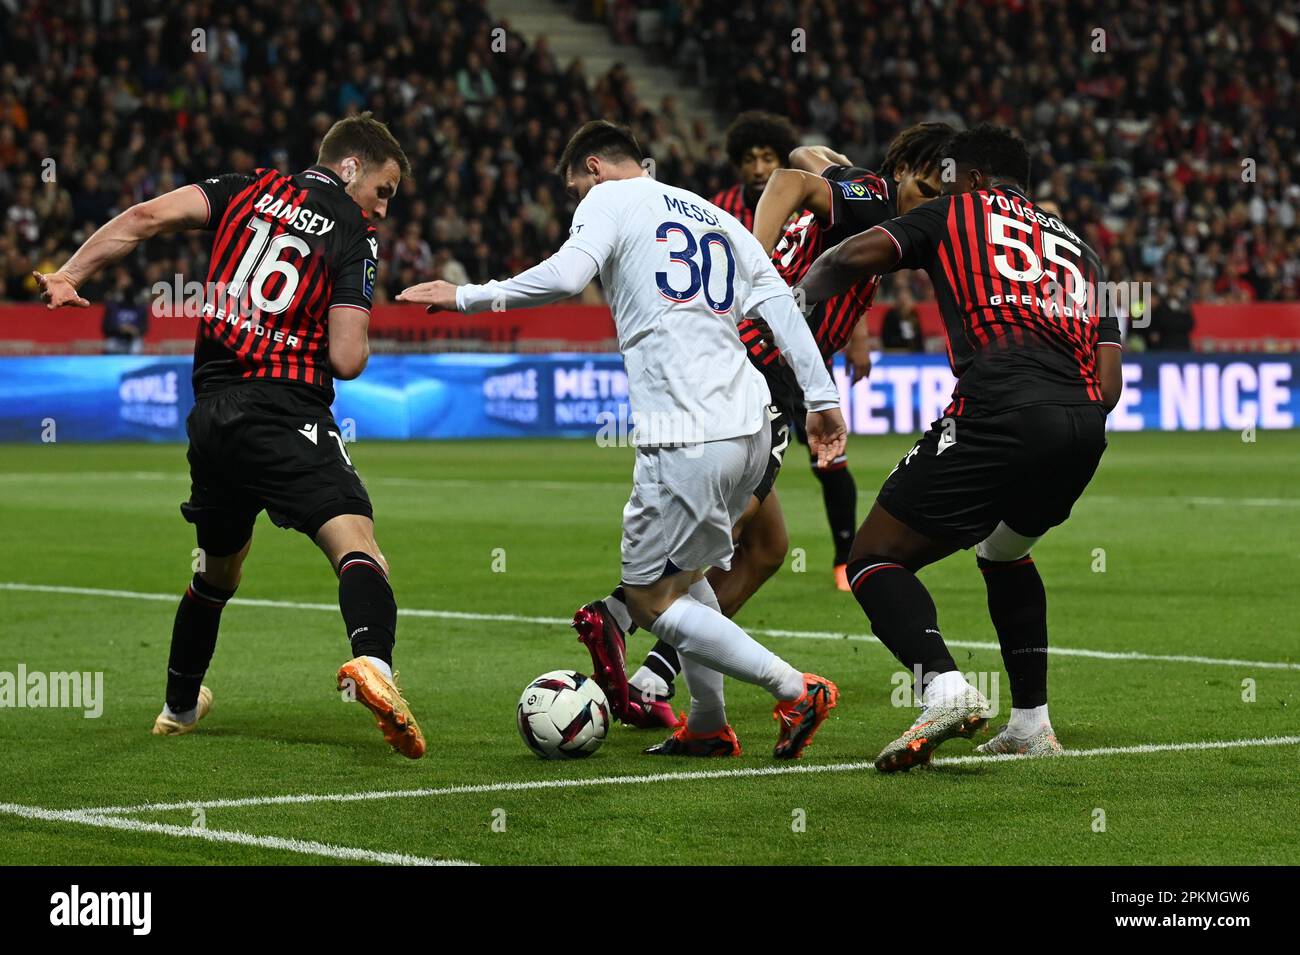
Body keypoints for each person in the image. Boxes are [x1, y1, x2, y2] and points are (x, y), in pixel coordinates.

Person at [398, 120, 848, 759]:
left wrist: (468, 295)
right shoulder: (714, 216)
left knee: (649, 597)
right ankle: (708, 723)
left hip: (687, 432)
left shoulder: (609, 199)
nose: (577, 202)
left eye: (575, 188)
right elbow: (780, 305)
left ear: (594, 168)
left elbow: (565, 276)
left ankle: (795, 689)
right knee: (689, 576)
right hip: (751, 423)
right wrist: (823, 400)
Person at [33, 112, 427, 758]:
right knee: (360, 546)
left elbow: (141, 220)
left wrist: (70, 274)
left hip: (212, 417)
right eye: (383, 191)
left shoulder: (242, 188)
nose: (382, 210)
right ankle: (375, 667)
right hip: (285, 409)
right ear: (350, 168)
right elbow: (350, 356)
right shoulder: (353, 230)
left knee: (218, 571)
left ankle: (179, 706)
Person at [575, 122, 955, 730]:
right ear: (905, 168)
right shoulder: (877, 198)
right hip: (766, 363)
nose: (932, 204)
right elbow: (788, 178)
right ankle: (619, 617)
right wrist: (752, 261)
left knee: (768, 547)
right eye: (928, 187)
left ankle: (658, 675)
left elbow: (806, 156)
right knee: (731, 520)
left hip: (765, 364)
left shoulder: (871, 197)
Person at [797, 124, 1124, 771]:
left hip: (999, 411)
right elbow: (1108, 383)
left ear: (969, 178)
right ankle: (1031, 723)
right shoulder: (1083, 251)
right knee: (1004, 551)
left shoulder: (955, 212)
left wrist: (787, 303)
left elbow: (848, 259)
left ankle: (945, 688)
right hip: (1084, 426)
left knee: (872, 557)